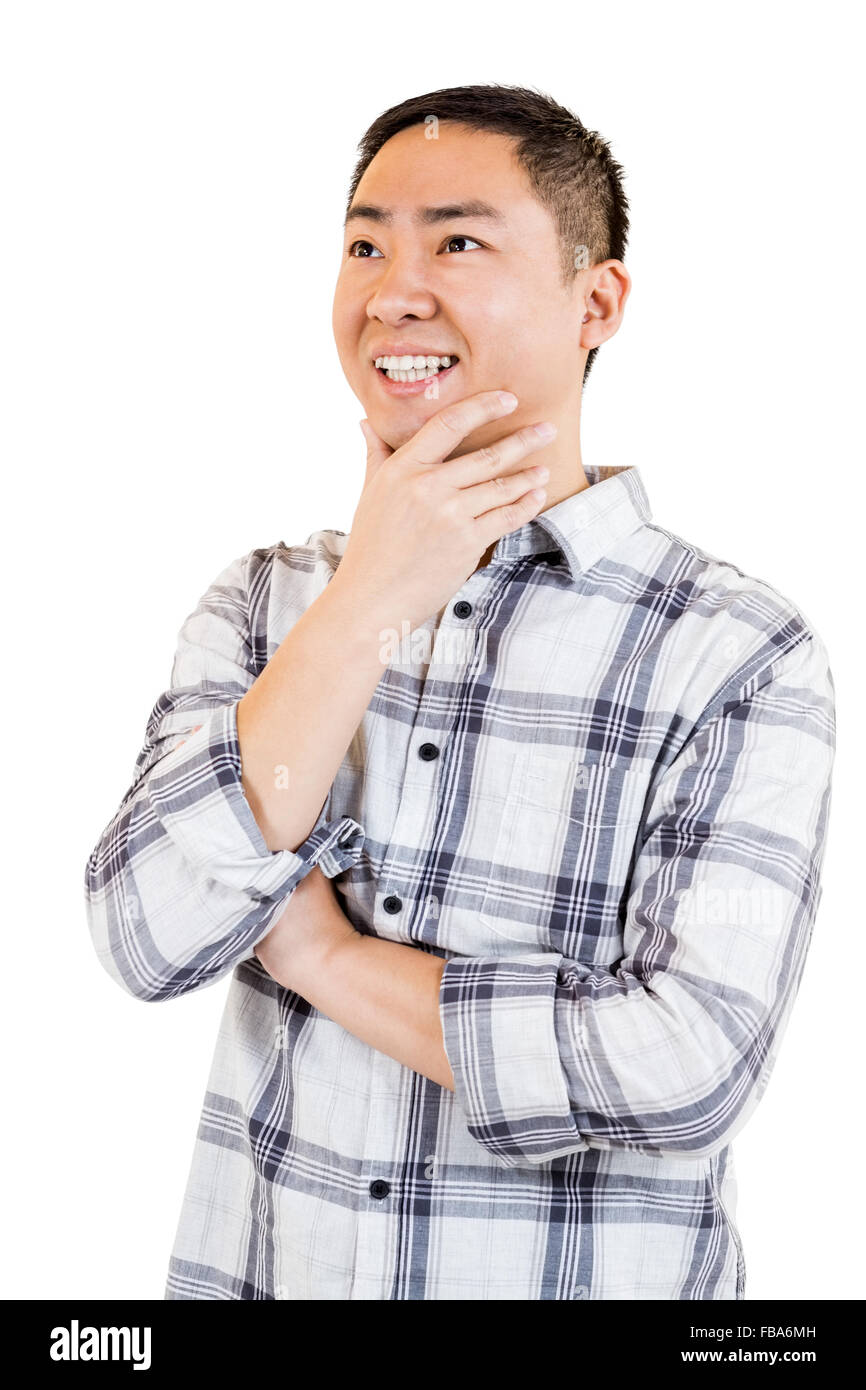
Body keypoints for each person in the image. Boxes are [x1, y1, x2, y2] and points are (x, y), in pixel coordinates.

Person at [84, 83, 836, 1301]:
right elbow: (144, 933)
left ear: (594, 302)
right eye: (366, 242)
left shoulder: (732, 649)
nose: (393, 290)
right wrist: (369, 600)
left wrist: (320, 957)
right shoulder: (265, 606)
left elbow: (684, 1068)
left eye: (459, 241)